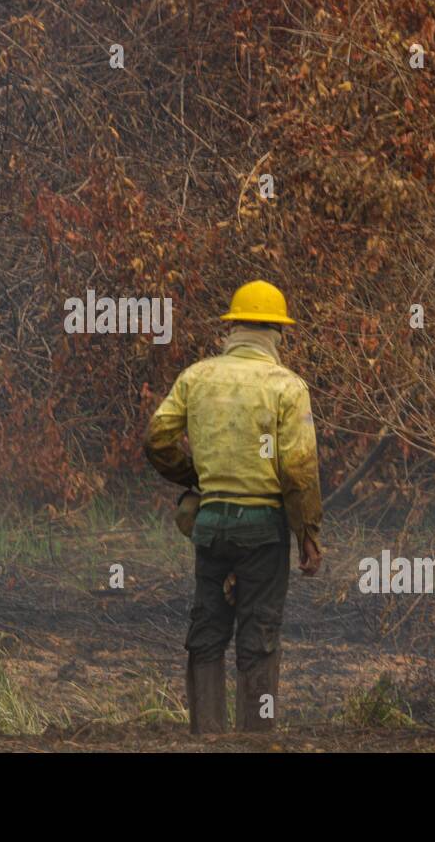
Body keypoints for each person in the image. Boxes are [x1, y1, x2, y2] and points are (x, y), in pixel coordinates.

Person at [144, 280, 323, 734]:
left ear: (234, 327)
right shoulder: (287, 386)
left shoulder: (197, 377)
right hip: (263, 529)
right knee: (259, 635)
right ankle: (255, 739)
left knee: (207, 630)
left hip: (210, 525)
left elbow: (156, 439)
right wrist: (308, 534)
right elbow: (299, 470)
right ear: (277, 333)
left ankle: (206, 736)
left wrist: (194, 476)